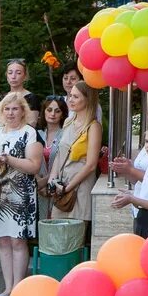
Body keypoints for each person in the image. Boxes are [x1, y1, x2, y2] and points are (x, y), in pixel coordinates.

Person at [0, 93, 43, 296]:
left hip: (20, 195)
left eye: (15, 109)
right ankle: (7, 288)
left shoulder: (29, 133)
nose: (11, 113)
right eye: (7, 109)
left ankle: (18, 288)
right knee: (3, 241)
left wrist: (10, 159)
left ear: (23, 111)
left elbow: (34, 166)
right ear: (1, 112)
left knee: (17, 241)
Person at [47, 82, 101, 230]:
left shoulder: (93, 126)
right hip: (61, 185)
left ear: (88, 99)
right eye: (70, 96)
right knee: (56, 235)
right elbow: (60, 155)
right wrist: (52, 180)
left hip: (80, 188)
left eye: (76, 96)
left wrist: (68, 187)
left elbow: (91, 165)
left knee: (74, 238)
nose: (71, 99)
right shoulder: (67, 122)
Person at [3, 60, 40, 128]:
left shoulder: (31, 98)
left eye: (18, 73)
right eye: (10, 73)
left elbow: (32, 123)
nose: (13, 76)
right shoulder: (2, 97)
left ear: (25, 76)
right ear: (7, 76)